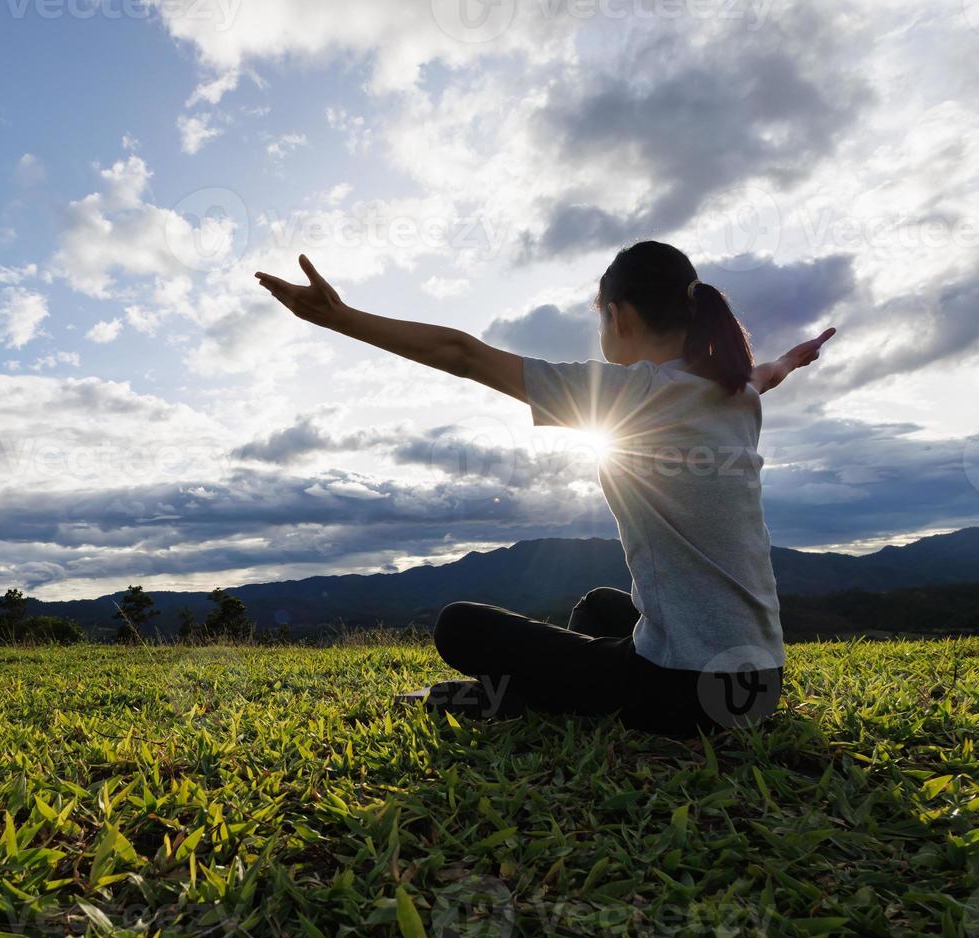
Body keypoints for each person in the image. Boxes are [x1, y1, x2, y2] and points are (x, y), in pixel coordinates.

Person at [255, 241, 835, 737]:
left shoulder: (626, 392)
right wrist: (794, 357)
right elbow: (767, 374)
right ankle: (553, 692)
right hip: (760, 686)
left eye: (599, 316)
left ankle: (522, 699)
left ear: (620, 317)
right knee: (601, 606)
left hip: (685, 697)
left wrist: (341, 319)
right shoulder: (739, 395)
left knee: (459, 624)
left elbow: (462, 355)